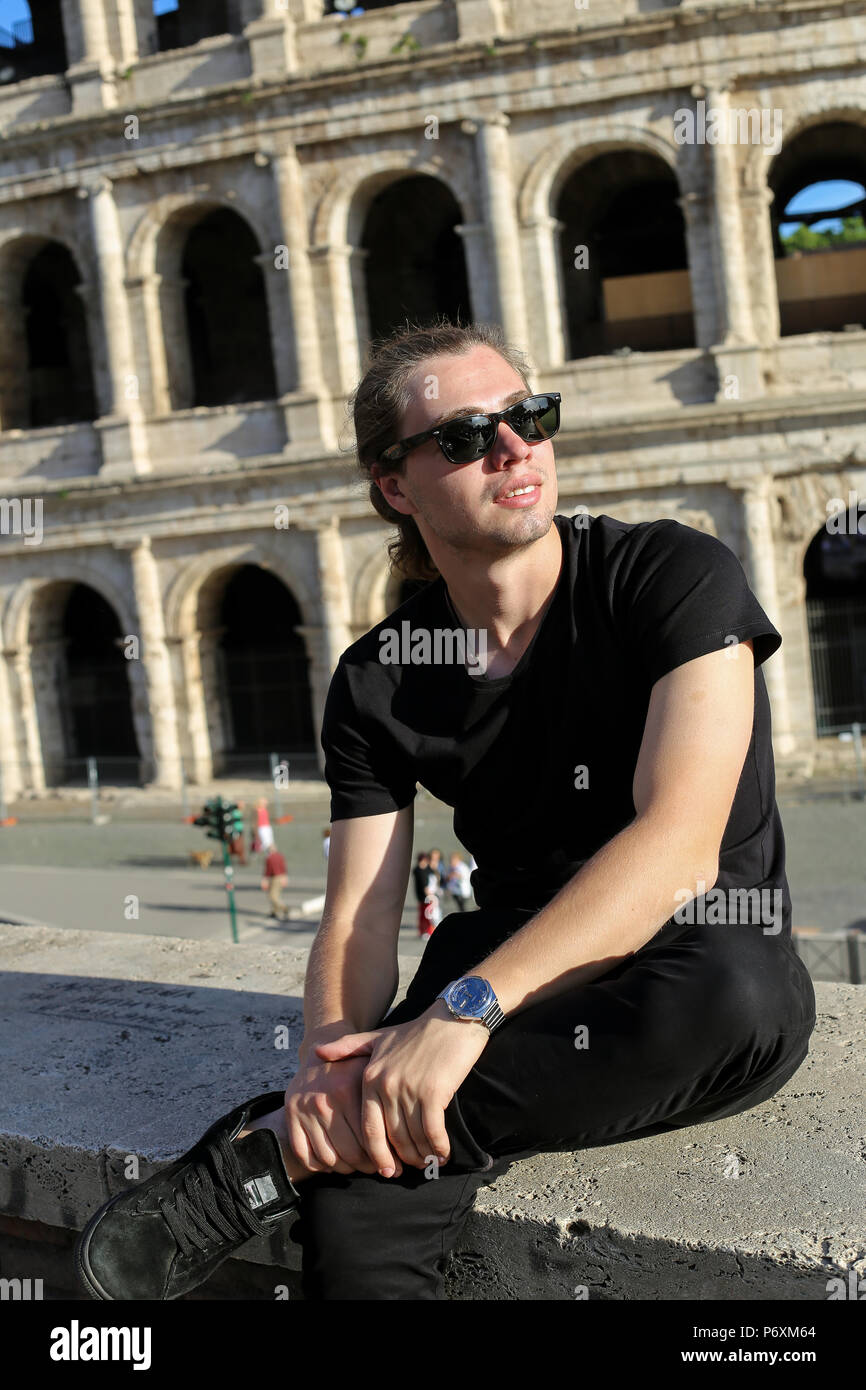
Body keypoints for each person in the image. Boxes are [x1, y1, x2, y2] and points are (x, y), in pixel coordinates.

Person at [75, 320, 816, 1305]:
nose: (513, 449)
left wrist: (463, 1013)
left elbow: (678, 845)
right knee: (362, 1221)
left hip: (691, 961)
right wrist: (329, 1059)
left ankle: (278, 1158)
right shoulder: (378, 676)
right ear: (393, 485)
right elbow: (356, 913)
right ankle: (331, 1129)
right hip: (507, 967)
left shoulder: (670, 576)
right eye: (466, 438)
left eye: (528, 417)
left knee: (736, 993)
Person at [261, 842, 289, 922]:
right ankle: (274, 912)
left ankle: (284, 908)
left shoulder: (269, 858)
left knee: (272, 896)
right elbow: (284, 867)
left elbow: (268, 870)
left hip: (274, 878)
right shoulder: (280, 856)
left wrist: (264, 879)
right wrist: (285, 877)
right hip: (280, 877)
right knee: (276, 895)